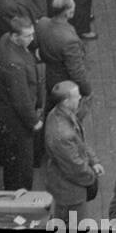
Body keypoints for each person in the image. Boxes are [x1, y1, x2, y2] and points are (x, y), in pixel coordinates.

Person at [44, 81, 103, 222]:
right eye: (77, 96)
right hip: (69, 193)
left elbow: (79, 142)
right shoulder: (61, 133)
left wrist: (93, 160)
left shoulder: (60, 113)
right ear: (66, 102)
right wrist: (92, 176)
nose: (80, 98)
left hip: (66, 185)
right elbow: (75, 167)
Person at [35, 0, 91, 108]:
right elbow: (76, 72)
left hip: (50, 75)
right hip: (65, 83)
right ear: (67, 13)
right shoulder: (69, 41)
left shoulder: (42, 23)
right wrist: (87, 90)